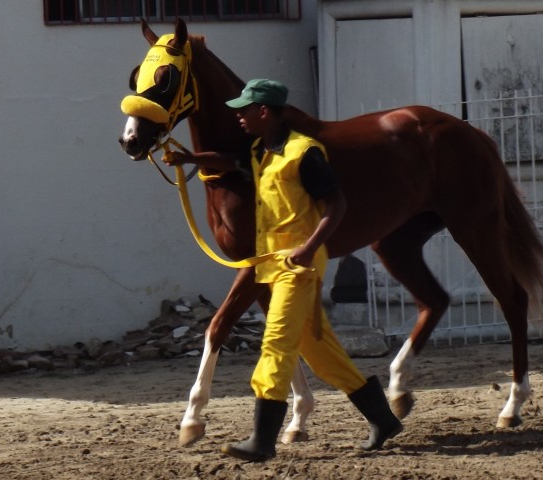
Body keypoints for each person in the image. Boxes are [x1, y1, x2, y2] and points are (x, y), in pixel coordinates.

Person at [166, 79, 402, 462]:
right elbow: (234, 164)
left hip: (299, 266)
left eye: (244, 109)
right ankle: (382, 419)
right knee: (319, 351)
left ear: (264, 111)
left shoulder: (304, 152)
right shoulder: (262, 149)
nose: (238, 116)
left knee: (275, 342)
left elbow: (337, 204)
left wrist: (308, 249)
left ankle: (262, 440)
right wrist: (190, 160)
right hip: (272, 264)